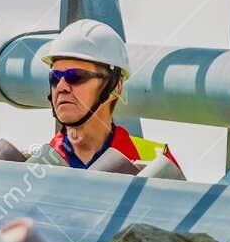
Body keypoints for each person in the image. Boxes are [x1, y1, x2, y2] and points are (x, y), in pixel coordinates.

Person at [39, 19, 179, 170]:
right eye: (55, 77)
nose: (61, 87)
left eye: (76, 76)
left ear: (115, 88)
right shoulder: (35, 167)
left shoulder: (156, 162)